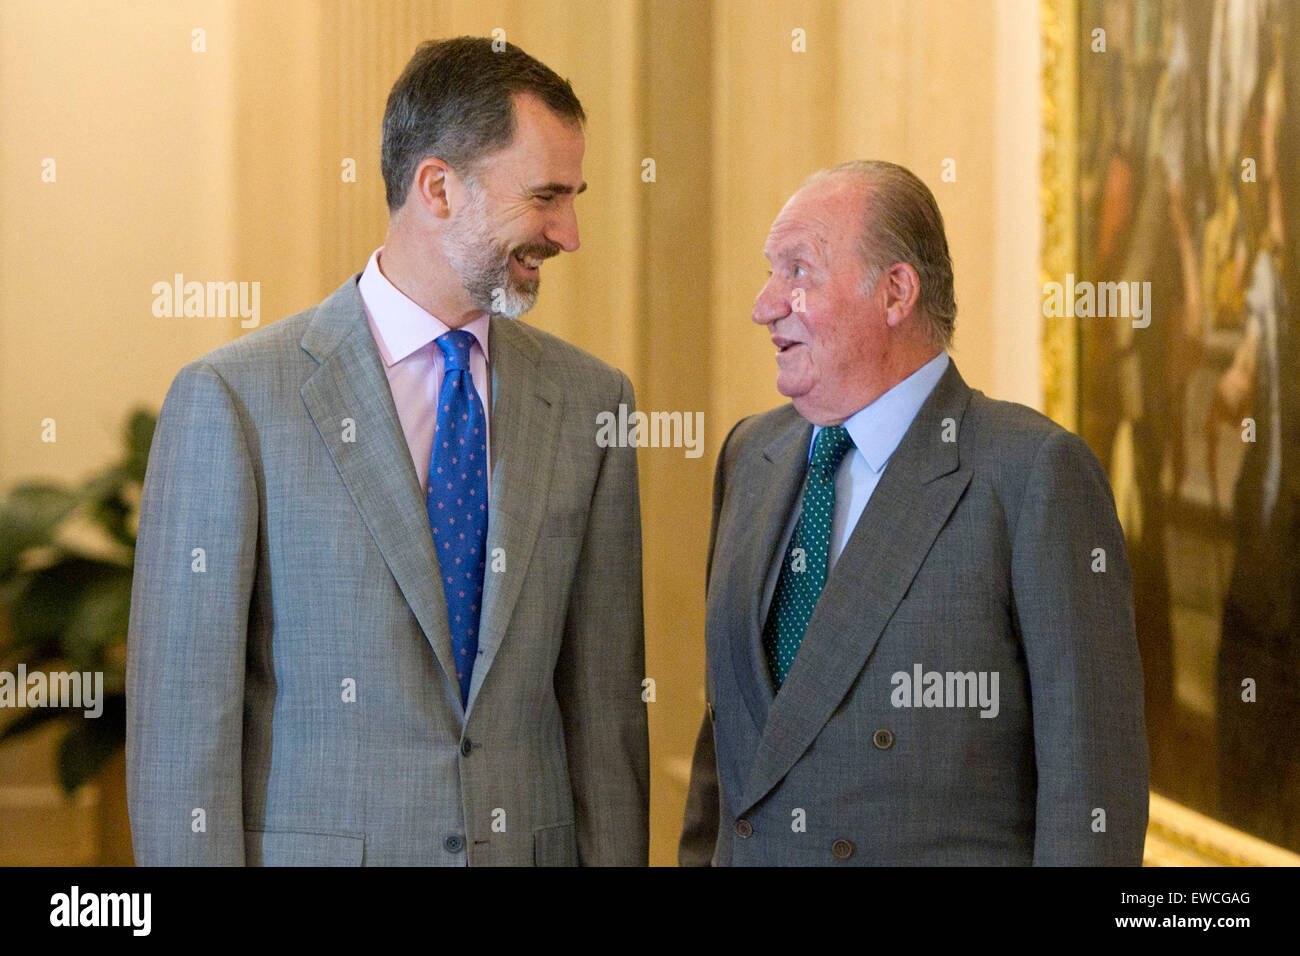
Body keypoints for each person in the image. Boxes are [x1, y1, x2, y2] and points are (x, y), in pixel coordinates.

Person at [127, 36, 649, 866]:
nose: (571, 234)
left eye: (574, 198)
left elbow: (605, 709)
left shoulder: (594, 403)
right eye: (547, 197)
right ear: (438, 187)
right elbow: (180, 732)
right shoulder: (234, 402)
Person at [680, 160, 1149, 866]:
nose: (764, 304)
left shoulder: (1030, 476)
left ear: (896, 292)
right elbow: (731, 754)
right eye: (770, 273)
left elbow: (1091, 804)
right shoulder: (752, 455)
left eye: (798, 272)